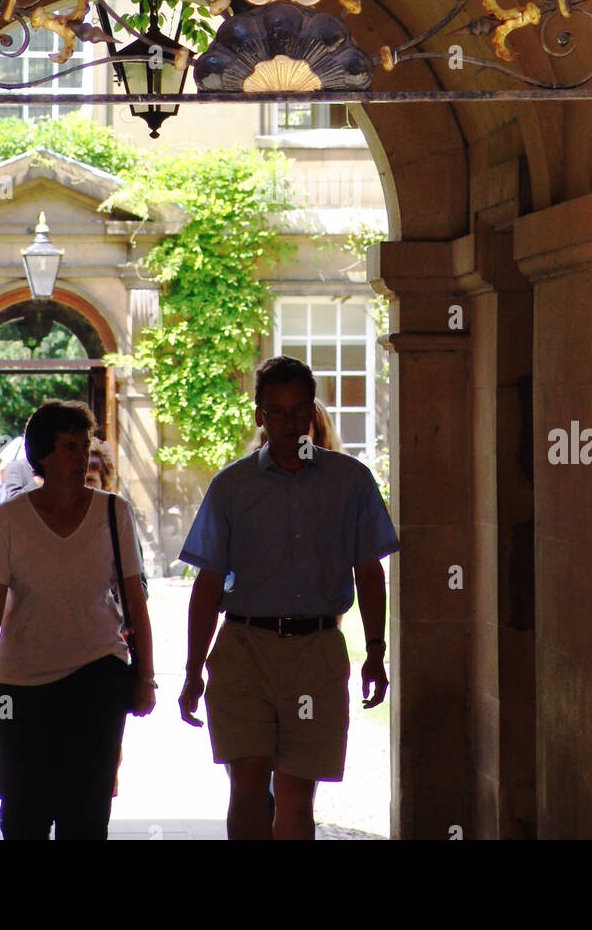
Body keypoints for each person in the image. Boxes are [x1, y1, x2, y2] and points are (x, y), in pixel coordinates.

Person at [177, 356, 399, 840]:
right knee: (248, 783)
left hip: (315, 651)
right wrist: (194, 669)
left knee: (297, 792)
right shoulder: (231, 487)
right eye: (275, 411)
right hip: (244, 649)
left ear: (312, 411)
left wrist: (377, 651)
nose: (288, 422)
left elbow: (370, 571)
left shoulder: (350, 481)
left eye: (299, 410)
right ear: (258, 415)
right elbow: (207, 584)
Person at [0, 398, 156, 840]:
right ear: (42, 456)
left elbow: (134, 603)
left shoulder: (114, 512)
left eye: (84, 445)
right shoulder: (10, 520)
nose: (80, 457)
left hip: (97, 676)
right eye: (69, 446)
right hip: (21, 685)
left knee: (86, 815)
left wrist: (145, 675)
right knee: (22, 812)